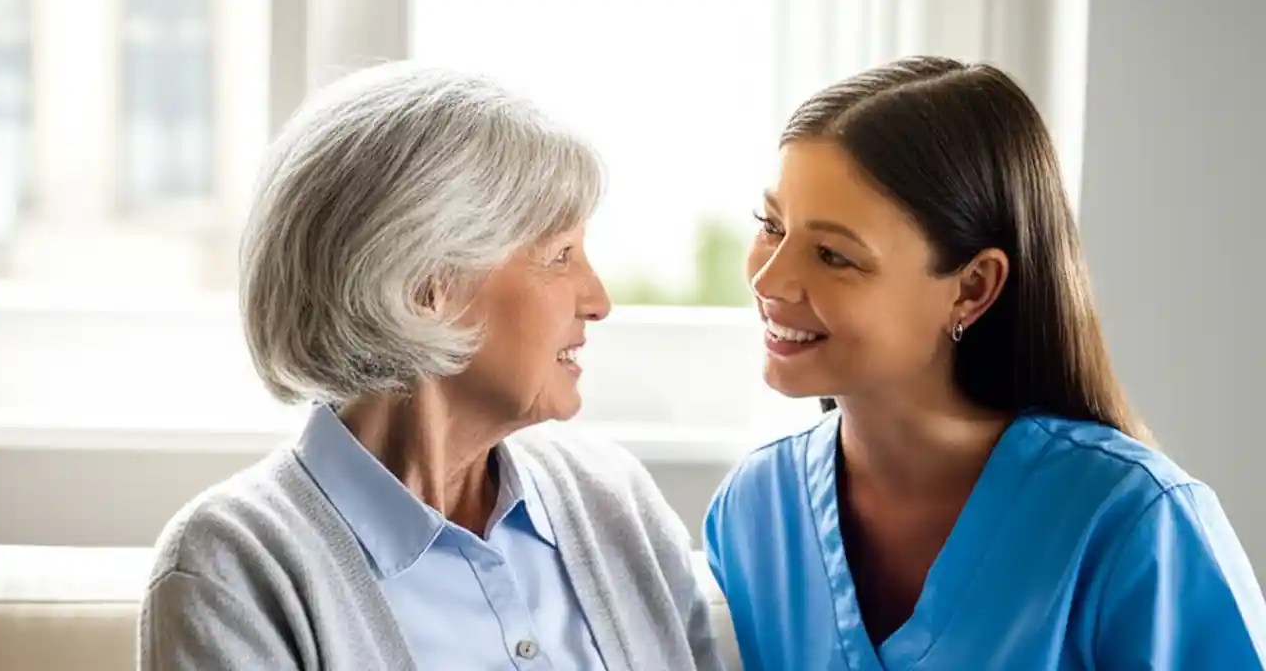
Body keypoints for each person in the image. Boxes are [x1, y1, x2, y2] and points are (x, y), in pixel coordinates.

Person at [139, 62, 723, 671]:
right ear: (427, 287)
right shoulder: (231, 566)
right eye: (560, 256)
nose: (597, 300)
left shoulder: (613, 501)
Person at [704, 56, 1266, 670]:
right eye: (770, 225)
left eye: (834, 256)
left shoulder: (1133, 522)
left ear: (972, 287)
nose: (770, 278)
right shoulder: (756, 510)